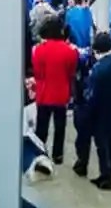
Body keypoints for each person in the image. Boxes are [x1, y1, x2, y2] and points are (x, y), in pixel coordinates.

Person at [74, 32, 111, 189]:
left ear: (97, 51)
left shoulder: (99, 71)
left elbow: (91, 96)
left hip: (101, 113)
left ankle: (106, 177)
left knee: (102, 144)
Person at [32, 17, 79, 165]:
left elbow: (37, 73)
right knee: (60, 127)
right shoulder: (70, 51)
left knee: (41, 127)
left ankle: (40, 153)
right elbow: (71, 72)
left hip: (44, 93)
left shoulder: (38, 50)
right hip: (61, 93)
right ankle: (57, 155)